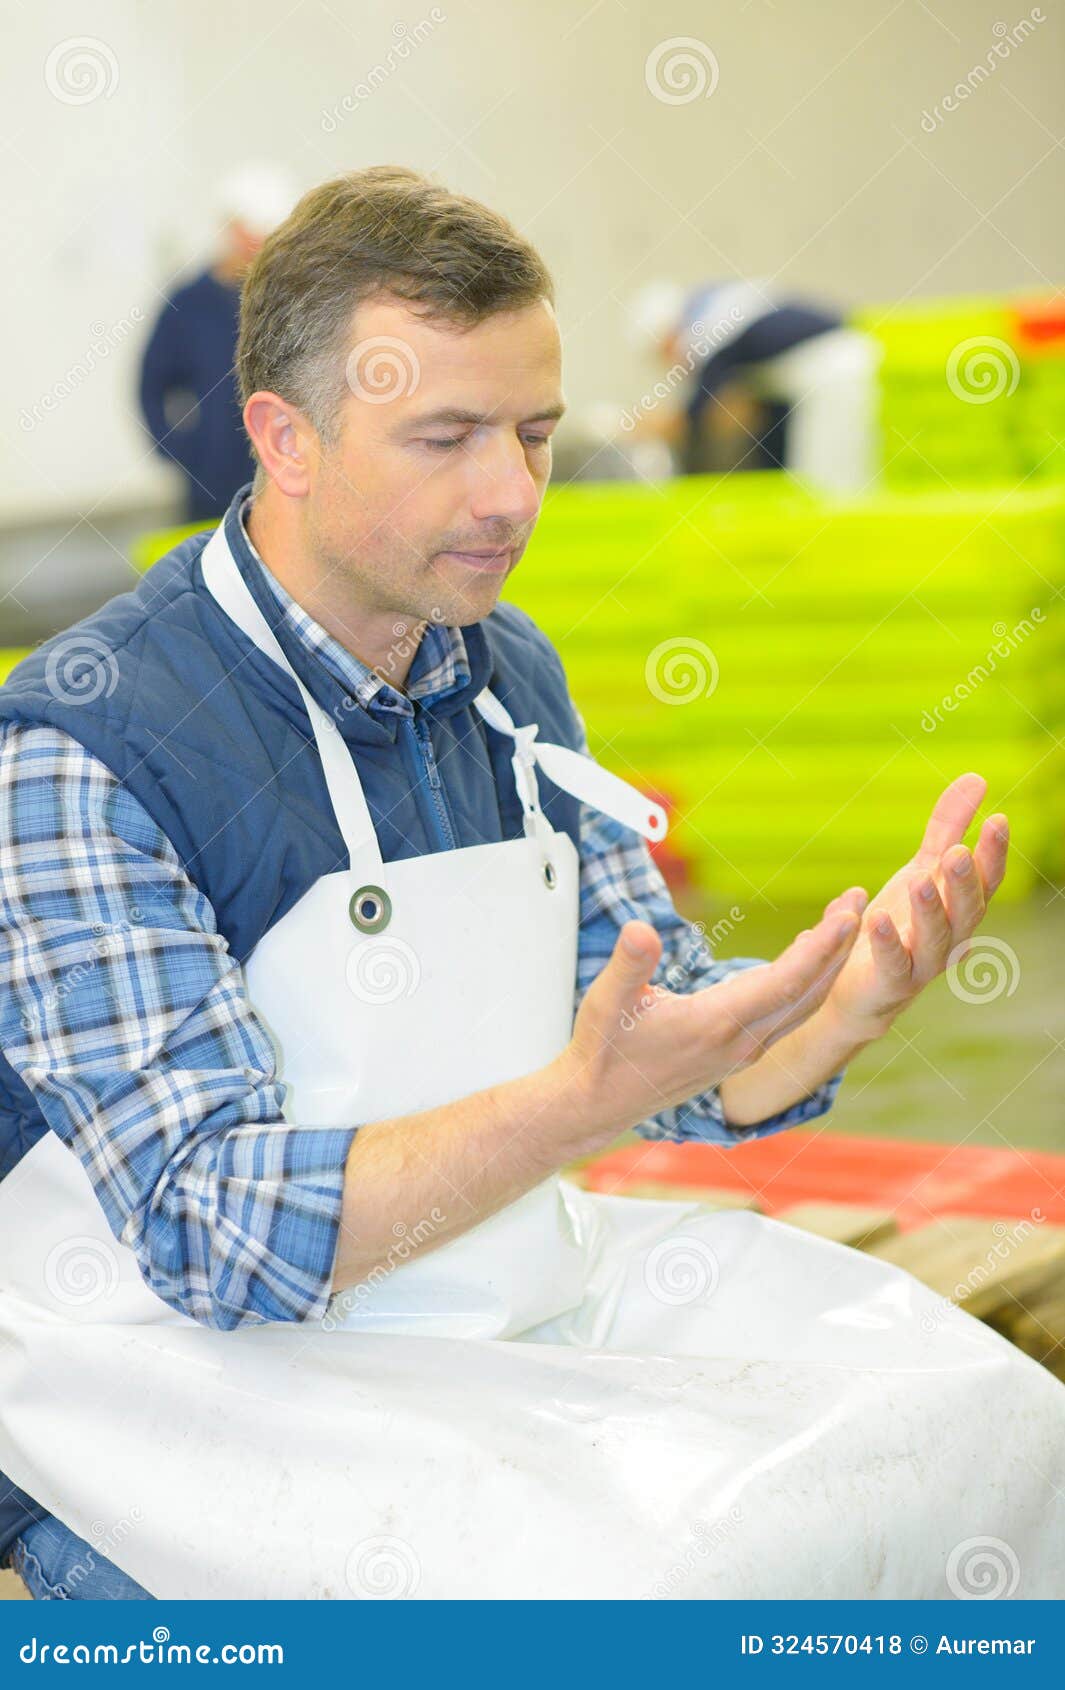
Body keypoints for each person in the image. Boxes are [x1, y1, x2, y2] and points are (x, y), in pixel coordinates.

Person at [0, 167, 1060, 1601]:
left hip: (478, 1297)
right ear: (284, 438)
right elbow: (212, 1228)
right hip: (168, 1395)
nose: (513, 495)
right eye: (446, 437)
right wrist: (574, 1100)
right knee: (651, 1585)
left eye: (538, 435)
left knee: (987, 1425)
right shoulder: (87, 743)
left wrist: (815, 1017)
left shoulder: (504, 675)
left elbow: (650, 1031)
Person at [137, 163, 295, 522]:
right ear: (232, 229)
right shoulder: (188, 303)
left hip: (283, 477)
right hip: (210, 488)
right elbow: (150, 384)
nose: (258, 244)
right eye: (252, 232)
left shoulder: (288, 299)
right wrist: (180, 451)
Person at [627, 279, 881, 491]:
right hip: (837, 372)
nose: (672, 363)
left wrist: (650, 426)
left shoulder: (708, 327)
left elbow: (697, 414)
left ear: (671, 331)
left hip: (837, 377)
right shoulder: (727, 312)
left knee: (829, 487)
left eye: (665, 352)